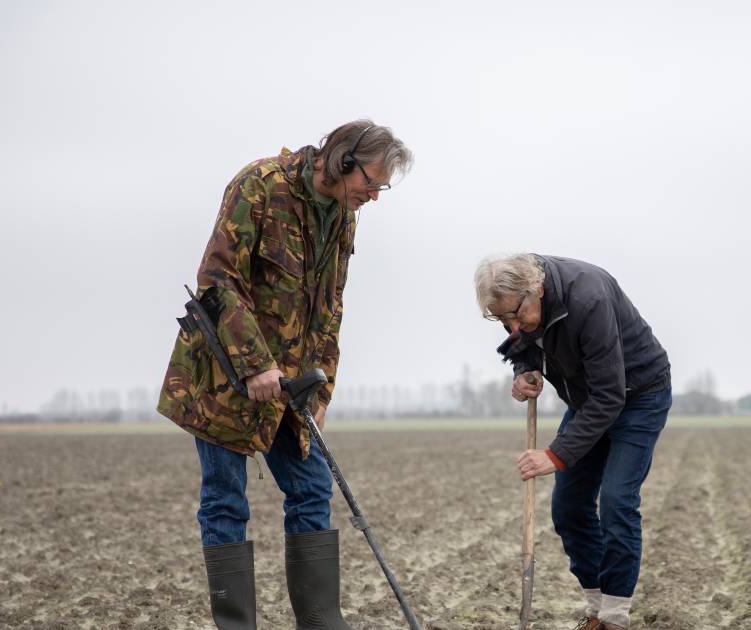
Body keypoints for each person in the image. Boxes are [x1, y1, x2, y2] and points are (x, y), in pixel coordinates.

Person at [157, 120, 412, 629]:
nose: (374, 196)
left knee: (312, 489)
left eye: (382, 188)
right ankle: (236, 624)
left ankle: (320, 619)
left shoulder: (343, 214)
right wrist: (255, 365)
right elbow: (219, 278)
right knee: (226, 500)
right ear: (343, 160)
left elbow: (329, 306)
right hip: (223, 377)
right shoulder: (260, 184)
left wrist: (323, 386)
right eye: (372, 183)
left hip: (292, 385)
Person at [474, 254, 671, 630]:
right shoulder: (520, 299)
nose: (512, 327)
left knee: (616, 502)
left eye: (515, 315)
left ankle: (615, 618)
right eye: (501, 320)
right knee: (568, 507)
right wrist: (524, 369)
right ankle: (597, 609)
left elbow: (611, 396)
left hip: (638, 396)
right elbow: (526, 340)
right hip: (587, 399)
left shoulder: (588, 299)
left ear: (538, 290)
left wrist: (556, 455)